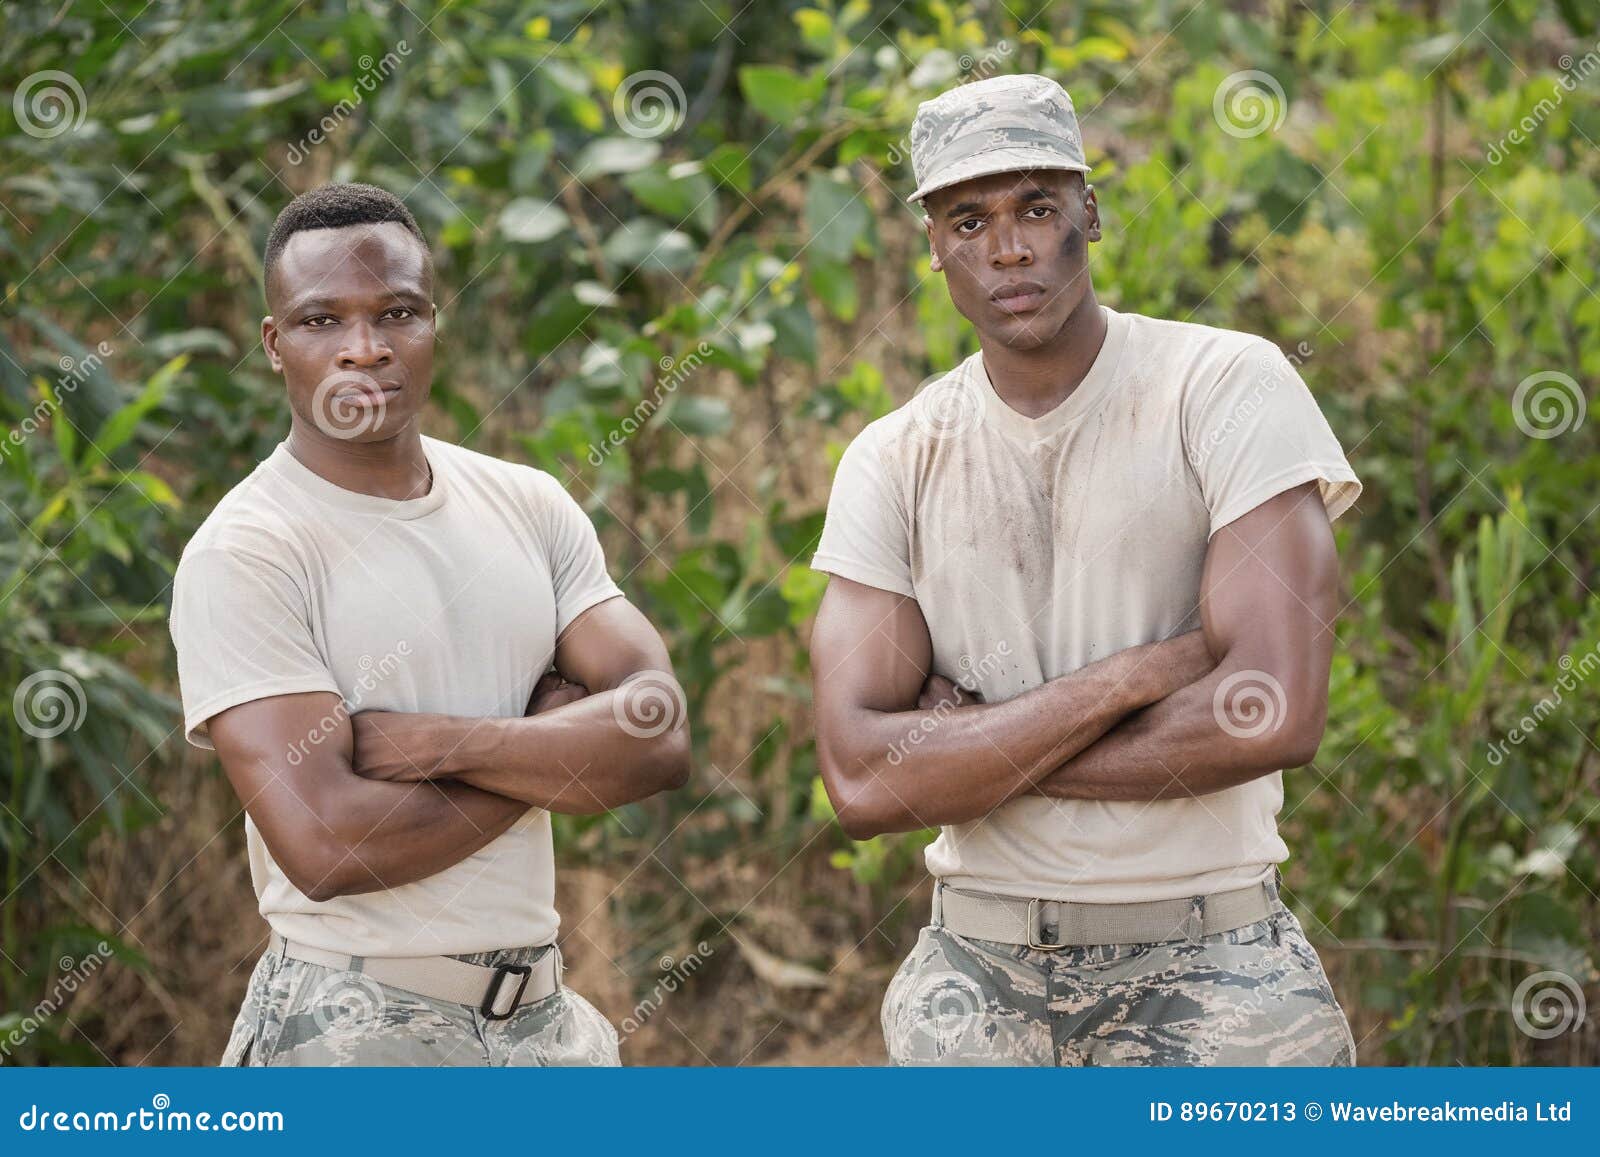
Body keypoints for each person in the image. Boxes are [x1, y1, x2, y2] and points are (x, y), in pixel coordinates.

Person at [808, 75, 1363, 1066]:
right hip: (976, 972)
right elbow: (859, 780)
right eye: (968, 219)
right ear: (932, 245)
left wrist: (972, 752)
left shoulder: (1222, 386)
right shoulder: (892, 456)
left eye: (1036, 207)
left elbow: (1269, 711)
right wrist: (1136, 675)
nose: (1007, 248)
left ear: (1089, 214)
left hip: (1215, 965)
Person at [169, 183, 690, 1066]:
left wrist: (446, 741)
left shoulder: (526, 503)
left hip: (541, 1021)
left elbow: (659, 733)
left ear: (434, 323)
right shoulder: (248, 551)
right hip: (354, 1030)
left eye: (397, 313)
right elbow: (328, 843)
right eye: (321, 320)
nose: (364, 350)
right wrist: (551, 745)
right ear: (274, 343)